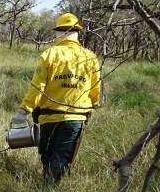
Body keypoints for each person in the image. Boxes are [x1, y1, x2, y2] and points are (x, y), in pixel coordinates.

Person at [11, 12, 101, 182]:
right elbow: (95, 88)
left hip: (49, 118)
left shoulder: (49, 55)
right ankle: (50, 190)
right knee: (61, 159)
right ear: (77, 32)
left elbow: (37, 86)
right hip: (76, 119)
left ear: (59, 32)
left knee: (48, 158)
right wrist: (94, 104)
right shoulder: (90, 57)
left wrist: (24, 109)